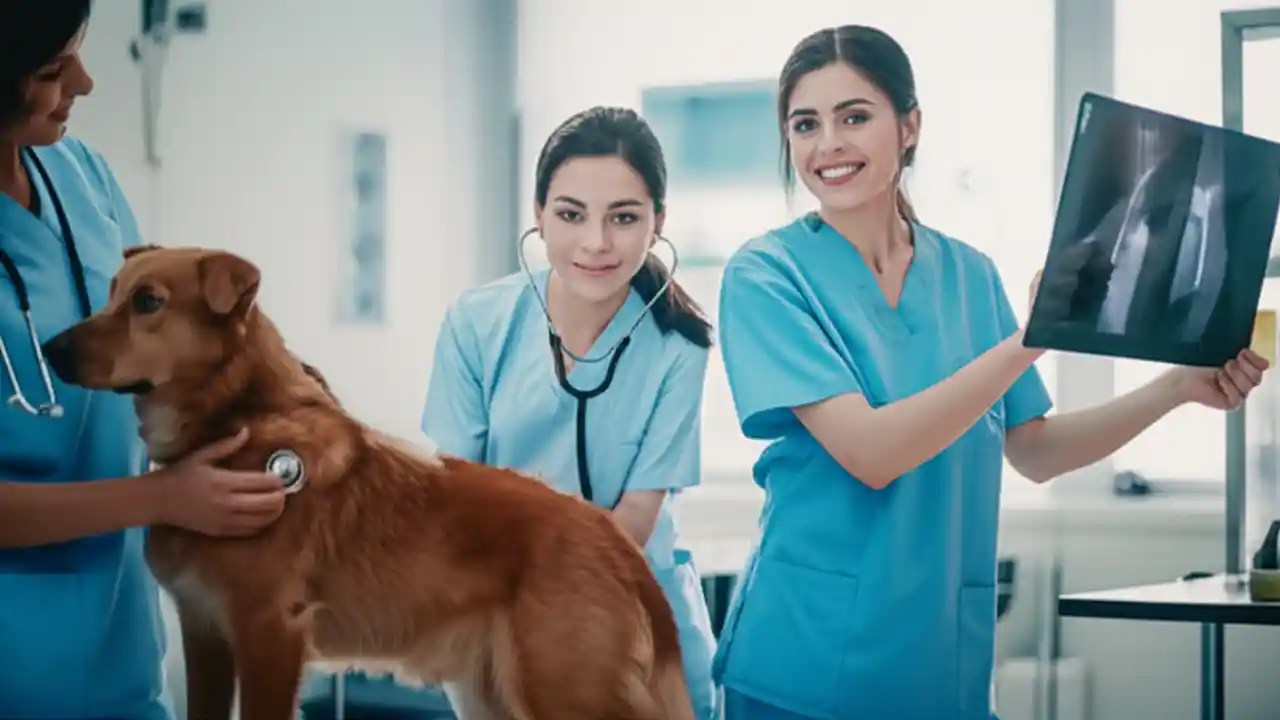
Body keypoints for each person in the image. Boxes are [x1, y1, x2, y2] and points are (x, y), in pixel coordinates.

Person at [710, 24, 1269, 720]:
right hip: (803, 663)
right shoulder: (767, 275)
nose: (828, 145)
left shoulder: (969, 275)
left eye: (854, 117)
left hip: (941, 667)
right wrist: (1033, 339)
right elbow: (872, 454)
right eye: (805, 124)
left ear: (910, 126)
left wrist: (1176, 388)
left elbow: (1035, 451)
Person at [0, 3, 288, 717]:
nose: (85, 82)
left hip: (122, 661)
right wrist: (162, 498)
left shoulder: (80, 176)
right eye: (52, 69)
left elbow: (181, 328)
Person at [421, 105, 719, 720]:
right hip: (501, 623)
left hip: (642, 620)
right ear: (538, 214)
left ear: (658, 223)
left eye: (624, 217)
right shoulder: (477, 324)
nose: (596, 242)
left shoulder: (680, 345)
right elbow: (455, 500)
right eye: (570, 214)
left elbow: (636, 519)